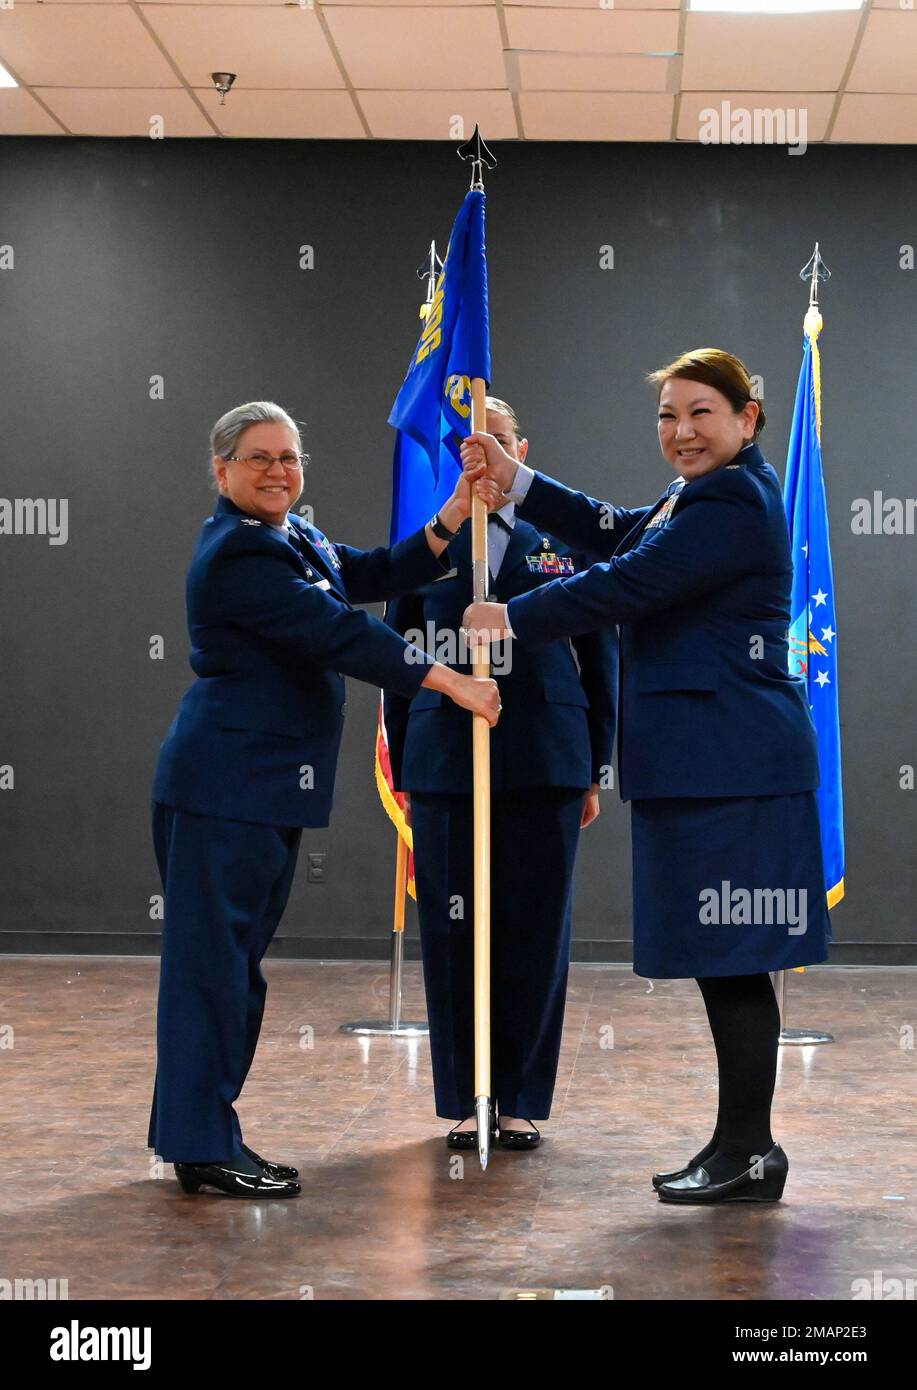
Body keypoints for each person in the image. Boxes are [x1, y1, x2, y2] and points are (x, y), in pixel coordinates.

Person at [461, 350, 831, 1204]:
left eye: (701, 413)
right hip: (705, 768)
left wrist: (508, 616)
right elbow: (615, 529)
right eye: (667, 416)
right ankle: (742, 1146)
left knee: (734, 959)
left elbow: (625, 582)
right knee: (720, 959)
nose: (681, 432)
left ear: (747, 419)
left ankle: (748, 1150)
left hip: (732, 768)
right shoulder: (690, 499)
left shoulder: (734, 500)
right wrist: (518, 479)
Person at [148, 400, 500, 1198]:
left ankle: (200, 1135)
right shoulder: (240, 556)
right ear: (221, 469)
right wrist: (454, 683)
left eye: (290, 457)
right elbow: (345, 633)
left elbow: (373, 574)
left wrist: (451, 513)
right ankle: (201, 1147)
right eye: (260, 458)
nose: (279, 471)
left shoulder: (290, 536)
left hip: (259, 793)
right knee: (214, 973)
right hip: (223, 790)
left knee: (232, 970)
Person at [384, 397, 618, 1151]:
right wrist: (406, 766)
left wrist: (594, 766)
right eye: (467, 449)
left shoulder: (563, 544)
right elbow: (397, 665)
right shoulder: (427, 547)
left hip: (546, 756)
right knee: (453, 934)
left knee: (533, 929)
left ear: (522, 447)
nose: (479, 461)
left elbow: (599, 660)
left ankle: (517, 1099)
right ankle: (464, 1095)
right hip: (446, 761)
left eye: (496, 444)